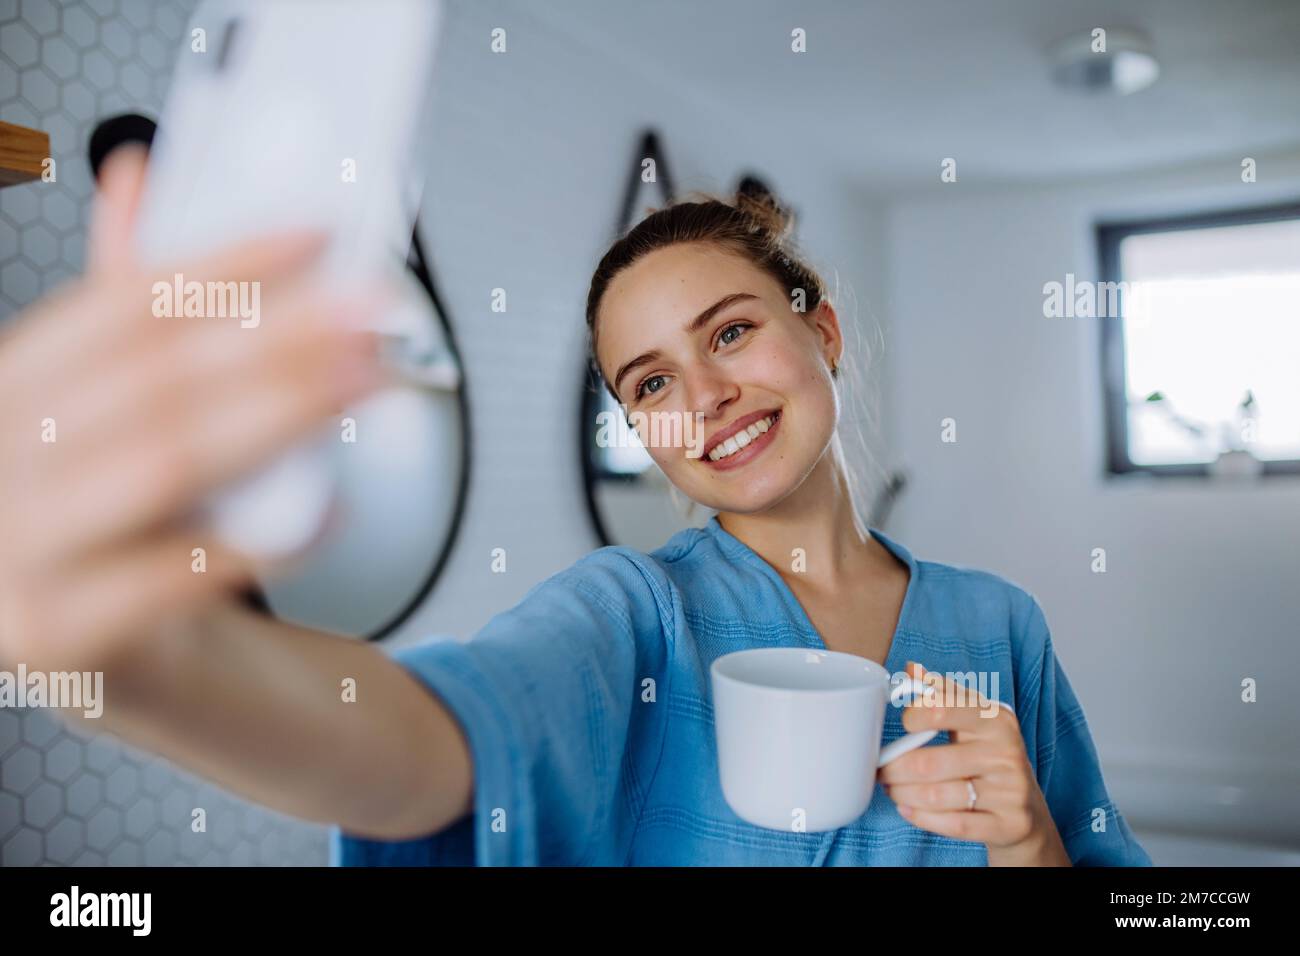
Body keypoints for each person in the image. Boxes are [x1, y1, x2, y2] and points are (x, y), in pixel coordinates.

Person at [0, 146, 1151, 866]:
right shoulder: (633, 615)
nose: (703, 397)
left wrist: (1032, 840)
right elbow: (428, 746)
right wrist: (146, 666)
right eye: (649, 382)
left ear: (822, 331)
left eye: (732, 331)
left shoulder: (1001, 628)